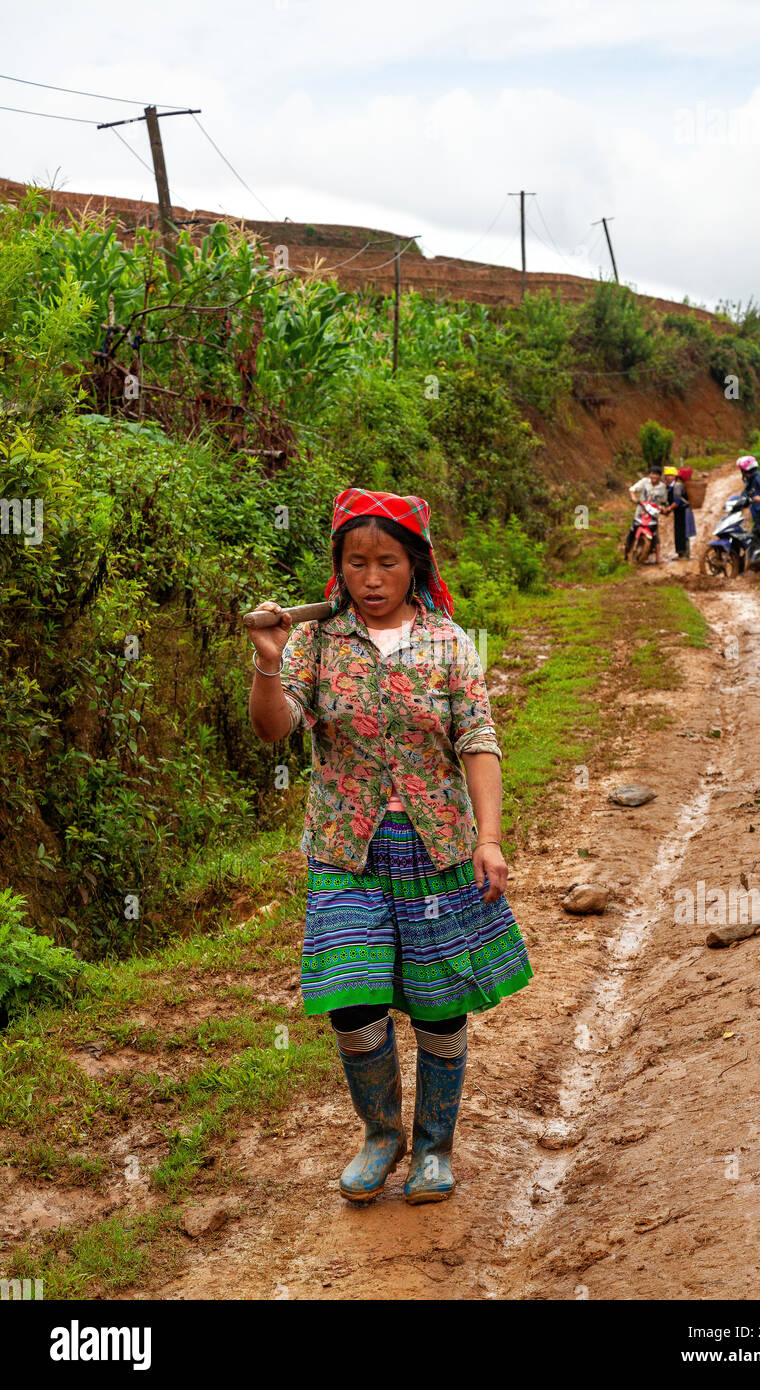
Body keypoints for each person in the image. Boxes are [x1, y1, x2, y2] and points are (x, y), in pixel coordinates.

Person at [247, 487, 533, 1207]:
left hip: (435, 848)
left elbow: (477, 740)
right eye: (355, 564)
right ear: (338, 569)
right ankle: (381, 1136)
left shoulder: (447, 643)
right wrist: (268, 663)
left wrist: (489, 840)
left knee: (437, 1003)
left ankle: (434, 1147)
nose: (371, 580)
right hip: (346, 848)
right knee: (351, 1001)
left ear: (416, 567)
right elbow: (275, 730)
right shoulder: (315, 642)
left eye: (387, 564)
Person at [625, 464, 669, 562]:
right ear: (649, 474)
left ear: (660, 476)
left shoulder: (662, 487)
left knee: (655, 535)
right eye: (652, 474)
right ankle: (627, 550)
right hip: (640, 511)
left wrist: (664, 509)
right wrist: (633, 497)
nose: (654, 476)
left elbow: (665, 501)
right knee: (632, 530)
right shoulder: (644, 482)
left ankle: (658, 558)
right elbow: (632, 489)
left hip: (653, 514)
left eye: (657, 474)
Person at [667, 467, 697, 560]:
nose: (668, 477)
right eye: (667, 475)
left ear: (675, 476)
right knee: (679, 531)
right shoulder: (671, 486)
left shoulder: (677, 486)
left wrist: (668, 509)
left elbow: (677, 501)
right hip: (680, 511)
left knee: (683, 531)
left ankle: (685, 554)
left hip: (683, 511)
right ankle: (681, 553)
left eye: (671, 475)